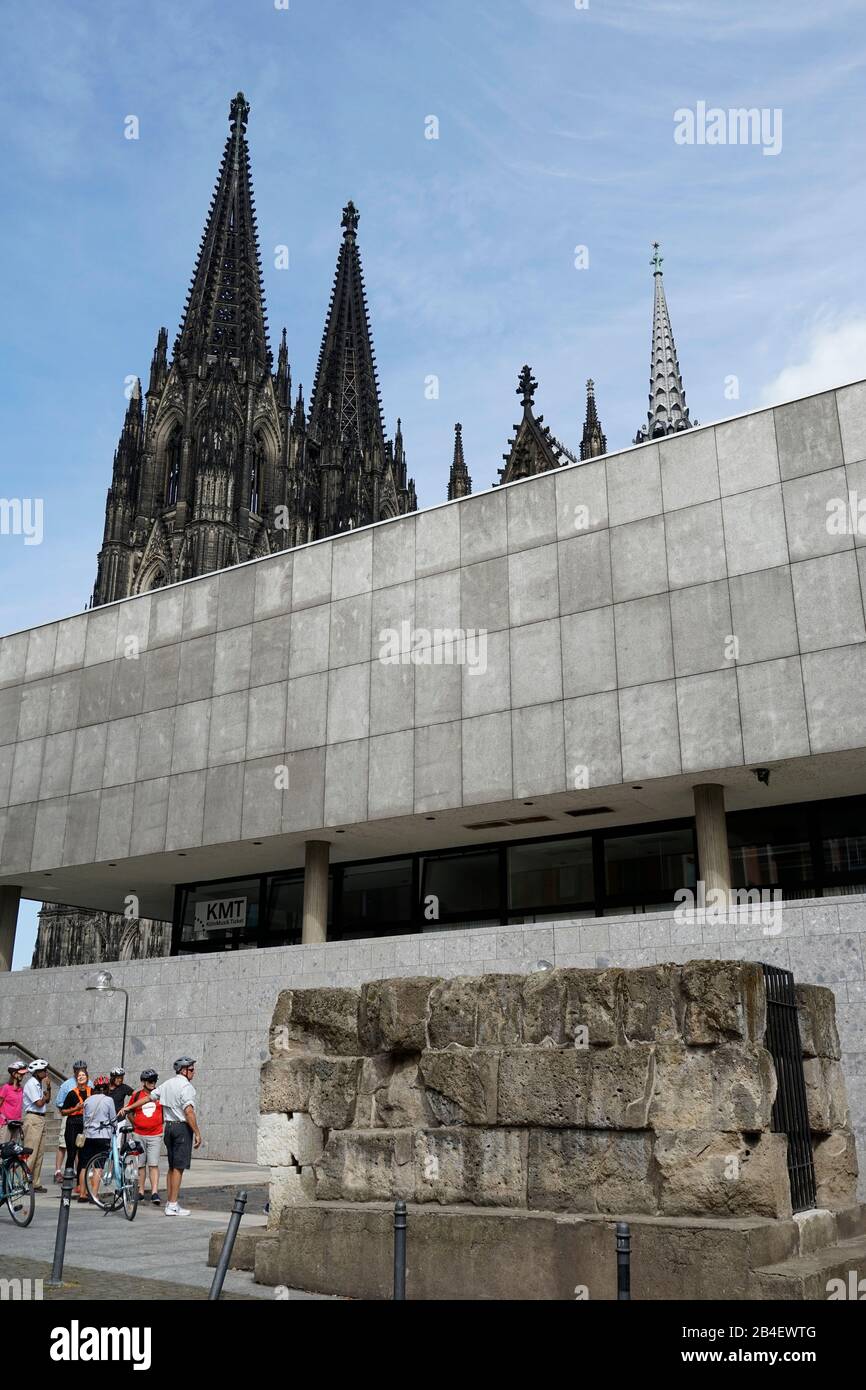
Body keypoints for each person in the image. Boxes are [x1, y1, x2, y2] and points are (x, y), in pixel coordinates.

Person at [122, 1056, 200, 1217]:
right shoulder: (186, 1087)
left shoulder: (167, 1084)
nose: (194, 1072)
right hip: (181, 1128)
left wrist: (129, 1107)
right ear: (183, 1070)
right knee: (178, 1168)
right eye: (191, 1070)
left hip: (169, 1128)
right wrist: (197, 1132)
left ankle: (172, 1202)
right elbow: (189, 1111)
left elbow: (147, 1098)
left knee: (172, 1167)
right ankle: (172, 1205)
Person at [126, 1070, 163, 1204]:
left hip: (155, 1134)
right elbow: (129, 1111)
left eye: (154, 1081)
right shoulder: (136, 1096)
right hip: (139, 1134)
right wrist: (135, 1124)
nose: (153, 1084)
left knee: (153, 1164)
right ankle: (141, 1191)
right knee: (140, 1164)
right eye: (150, 1081)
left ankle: (154, 1192)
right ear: (143, 1082)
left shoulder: (159, 1095)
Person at [81, 1078, 116, 1201]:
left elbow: (84, 1119)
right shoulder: (108, 1100)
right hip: (103, 1136)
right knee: (98, 1166)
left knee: (84, 1165)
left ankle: (82, 1194)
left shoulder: (87, 1100)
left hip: (89, 1135)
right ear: (106, 1088)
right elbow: (113, 1118)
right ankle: (94, 1195)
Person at [59, 1067, 92, 1200]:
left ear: (87, 1077)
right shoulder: (72, 1093)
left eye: (83, 1075)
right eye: (79, 1075)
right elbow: (63, 1111)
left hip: (85, 1124)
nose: (81, 1077)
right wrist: (76, 1108)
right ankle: (67, 1183)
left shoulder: (92, 1091)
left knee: (83, 1155)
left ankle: (80, 1184)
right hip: (73, 1123)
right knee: (72, 1153)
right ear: (76, 1078)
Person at [21, 1060, 52, 1191]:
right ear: (37, 1072)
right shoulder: (31, 1084)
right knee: (31, 1152)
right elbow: (39, 1103)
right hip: (33, 1118)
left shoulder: (39, 1083)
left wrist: (49, 1088)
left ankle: (35, 1183)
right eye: (44, 1070)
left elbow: (48, 1100)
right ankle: (24, 1183)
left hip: (40, 1118)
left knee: (39, 1153)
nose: (46, 1073)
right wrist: (44, 1097)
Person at [55, 1060, 87, 1183]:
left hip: (83, 1120)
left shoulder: (88, 1083)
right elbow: (59, 1103)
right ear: (74, 1071)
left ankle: (79, 1174)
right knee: (63, 1145)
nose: (81, 1072)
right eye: (78, 1070)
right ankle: (58, 1171)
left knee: (80, 1147)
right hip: (69, 1118)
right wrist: (71, 1111)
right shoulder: (67, 1084)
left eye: (83, 1069)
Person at [0, 1062, 27, 1143]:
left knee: (13, 1152)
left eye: (23, 1074)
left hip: (16, 1123)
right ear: (14, 1074)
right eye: (20, 1074)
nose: (22, 1076)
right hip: (5, 1124)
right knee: (3, 1151)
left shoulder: (21, 1089)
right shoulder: (6, 1088)